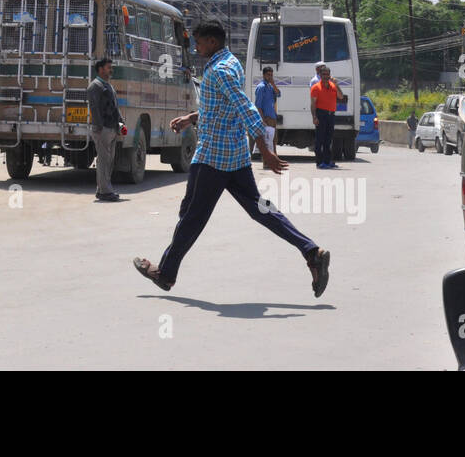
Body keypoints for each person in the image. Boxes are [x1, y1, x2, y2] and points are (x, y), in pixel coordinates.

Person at [133, 20, 329, 297]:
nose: (197, 47)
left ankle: (166, 274)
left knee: (191, 216)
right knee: (258, 209)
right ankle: (311, 251)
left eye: (199, 43)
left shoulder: (221, 71)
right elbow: (223, 107)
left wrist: (266, 149)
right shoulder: (230, 62)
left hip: (213, 156)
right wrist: (192, 118)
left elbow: (245, 108)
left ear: (212, 42)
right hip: (234, 156)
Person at [87, 56, 126, 202]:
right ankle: (105, 191)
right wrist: (99, 127)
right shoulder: (94, 86)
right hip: (102, 130)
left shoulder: (108, 86)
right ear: (101, 69)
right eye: (109, 67)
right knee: (103, 161)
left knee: (109, 161)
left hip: (112, 129)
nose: (111, 70)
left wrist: (121, 125)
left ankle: (102, 189)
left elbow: (115, 108)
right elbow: (94, 109)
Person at [310, 64, 345, 169]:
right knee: (320, 139)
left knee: (328, 139)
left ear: (330, 75)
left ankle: (327, 161)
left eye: (327, 74)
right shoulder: (316, 87)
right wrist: (314, 117)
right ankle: (319, 162)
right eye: (324, 74)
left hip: (331, 114)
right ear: (320, 75)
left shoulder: (333, 86)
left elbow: (341, 96)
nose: (326, 76)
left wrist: (336, 84)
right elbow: (313, 104)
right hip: (321, 114)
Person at [253, 65, 281, 157]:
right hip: (266, 118)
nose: (270, 77)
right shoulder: (261, 87)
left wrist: (273, 84)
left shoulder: (270, 86)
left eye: (271, 75)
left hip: (272, 118)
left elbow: (278, 94)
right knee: (267, 142)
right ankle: (267, 162)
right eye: (268, 75)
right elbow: (258, 105)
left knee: (273, 141)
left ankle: (273, 159)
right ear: (264, 75)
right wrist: (262, 120)